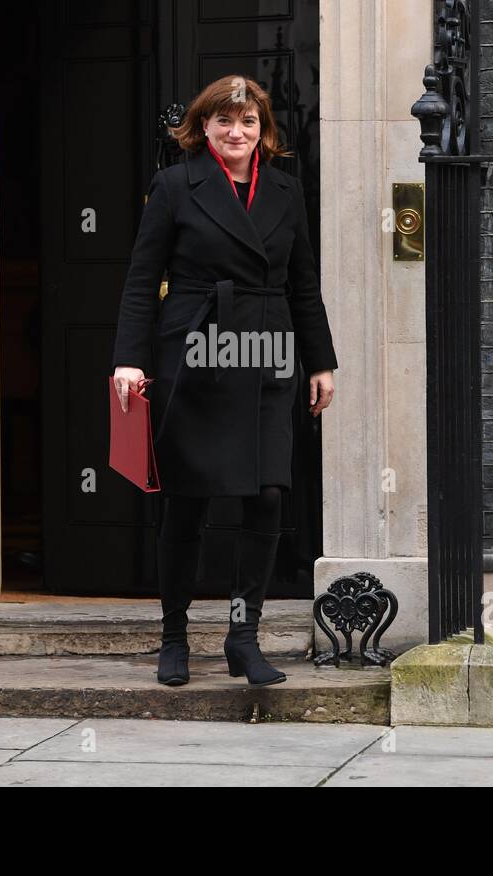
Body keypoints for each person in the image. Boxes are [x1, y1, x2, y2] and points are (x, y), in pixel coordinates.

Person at [110, 74, 338, 687]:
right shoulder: (175, 186)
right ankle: (174, 637)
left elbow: (303, 283)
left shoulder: (286, 192)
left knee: (266, 493)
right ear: (203, 127)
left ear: (262, 133)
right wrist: (129, 359)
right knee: (188, 499)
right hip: (196, 348)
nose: (237, 132)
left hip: (268, 349)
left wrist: (320, 361)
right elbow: (140, 279)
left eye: (249, 123)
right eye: (224, 122)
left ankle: (243, 637)